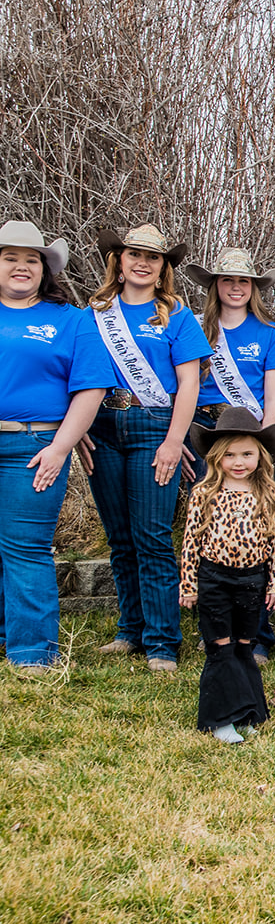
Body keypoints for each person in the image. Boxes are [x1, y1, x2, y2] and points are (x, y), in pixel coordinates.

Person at [85, 225, 210, 673]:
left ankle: (162, 641)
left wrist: (176, 440)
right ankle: (129, 630)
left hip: (154, 425)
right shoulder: (94, 313)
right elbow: (73, 372)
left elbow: (189, 382)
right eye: (133, 254)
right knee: (120, 537)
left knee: (152, 536)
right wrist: (74, 427)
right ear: (118, 261)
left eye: (152, 257)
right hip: (99, 425)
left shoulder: (177, 314)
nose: (142, 262)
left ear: (163, 268)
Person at [0, 221, 112, 670]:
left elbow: (91, 390)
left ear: (46, 270)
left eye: (32, 260)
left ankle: (32, 653)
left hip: (35, 445)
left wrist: (61, 447)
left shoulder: (70, 320)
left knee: (26, 548)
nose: (22, 266)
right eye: (11, 258)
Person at [178, 409, 275, 741]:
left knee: (244, 646)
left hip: (253, 580)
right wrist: (188, 584)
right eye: (229, 454)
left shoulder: (269, 494)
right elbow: (191, 541)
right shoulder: (204, 493)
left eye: (246, 454)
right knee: (220, 647)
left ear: (260, 456)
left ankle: (247, 711)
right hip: (214, 579)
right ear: (217, 457)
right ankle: (219, 718)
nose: (238, 461)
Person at [183, 248, 275, 431]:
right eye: (227, 280)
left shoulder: (271, 331)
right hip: (200, 423)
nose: (235, 287)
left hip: (248, 424)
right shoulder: (193, 325)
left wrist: (266, 438)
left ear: (252, 287)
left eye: (243, 281)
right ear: (216, 284)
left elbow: (272, 398)